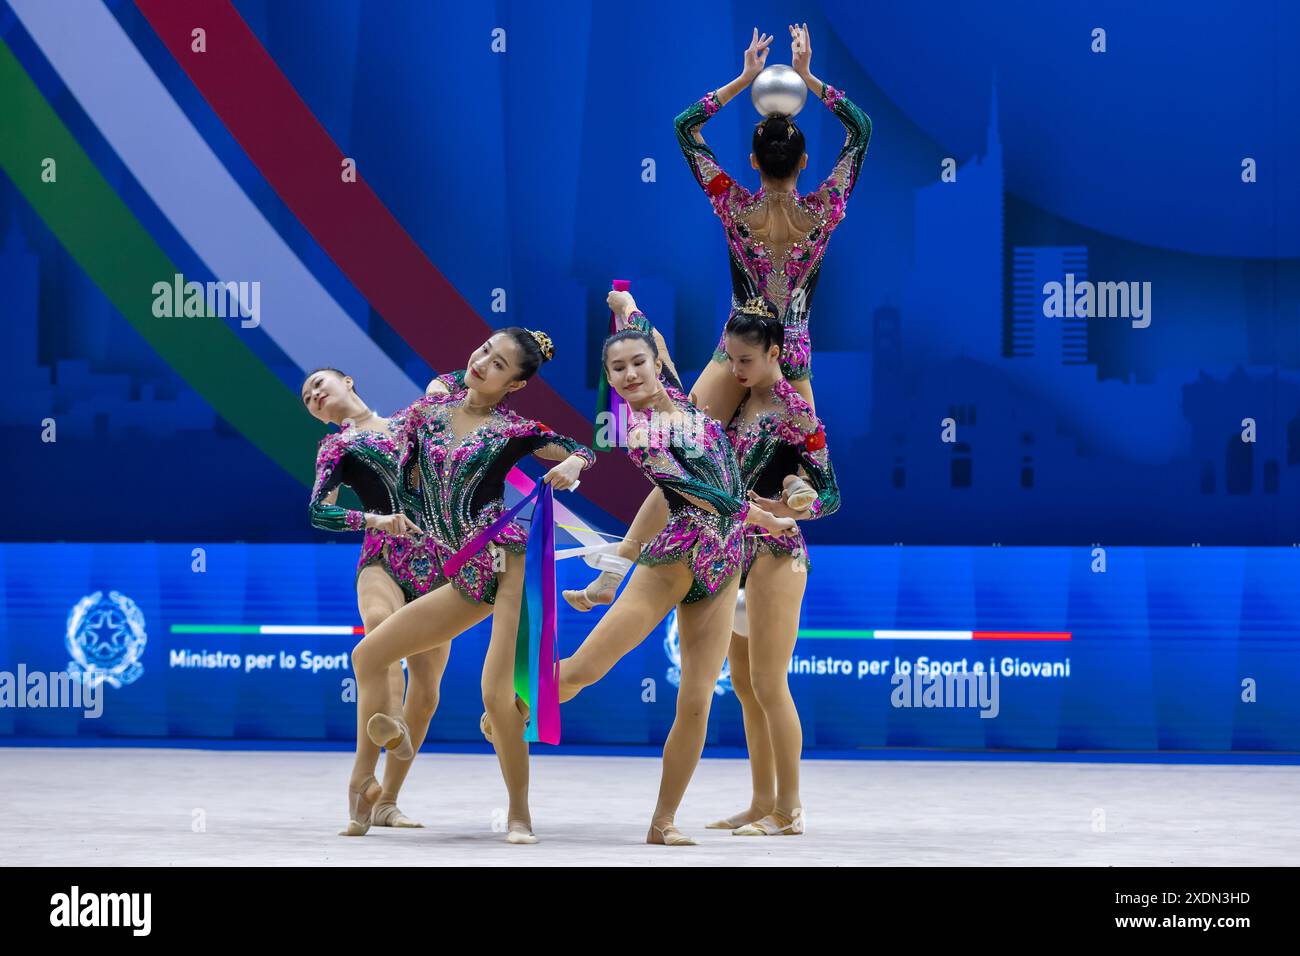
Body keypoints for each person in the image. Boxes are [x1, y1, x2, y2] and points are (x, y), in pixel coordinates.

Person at [346, 328, 594, 844]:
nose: (482, 362)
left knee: (495, 692)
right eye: (484, 350)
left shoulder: (513, 429)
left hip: (508, 567)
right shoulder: (426, 413)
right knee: (369, 656)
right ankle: (363, 784)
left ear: (516, 384)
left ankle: (520, 814)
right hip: (461, 575)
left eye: (499, 364)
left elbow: (577, 449)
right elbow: (382, 447)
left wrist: (574, 463)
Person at [303, 365, 459, 835]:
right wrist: (375, 520)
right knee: (380, 634)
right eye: (309, 399)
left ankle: (385, 799)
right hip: (382, 557)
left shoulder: (411, 421)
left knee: (428, 690)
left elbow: (464, 382)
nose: (314, 395)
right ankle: (384, 731)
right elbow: (319, 511)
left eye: (318, 385)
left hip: (437, 561)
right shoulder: (338, 446)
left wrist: (439, 384)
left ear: (348, 381)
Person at [706, 302, 839, 836]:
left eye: (746, 360)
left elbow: (829, 493)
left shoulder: (796, 413)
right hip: (734, 550)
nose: (736, 370)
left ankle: (790, 809)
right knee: (743, 682)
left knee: (769, 681)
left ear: (775, 354)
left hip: (777, 554)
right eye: (730, 359)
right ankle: (762, 800)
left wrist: (793, 504)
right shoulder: (737, 405)